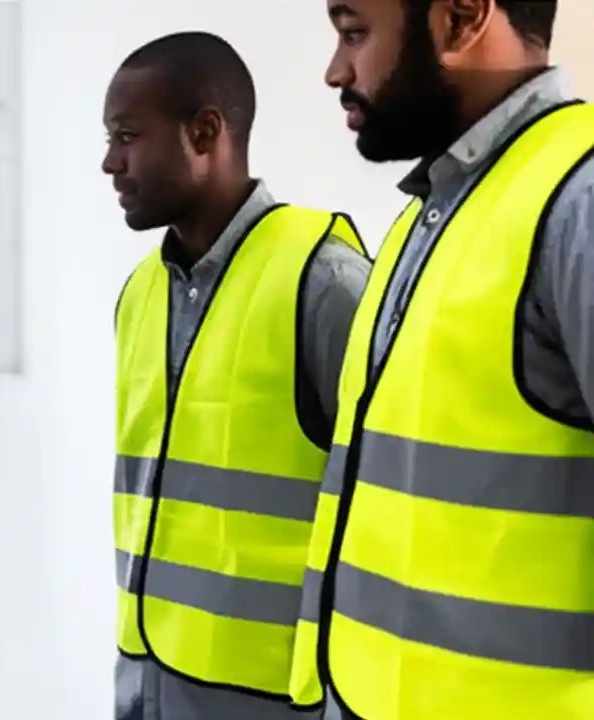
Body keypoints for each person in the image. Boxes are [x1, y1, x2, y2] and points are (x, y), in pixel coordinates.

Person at [288, 1, 594, 719]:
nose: (337, 70)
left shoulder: (577, 202)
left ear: (459, 18)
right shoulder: (430, 218)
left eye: (355, 31)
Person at [104, 31, 373, 720]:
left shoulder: (325, 280)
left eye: (127, 136)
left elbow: (386, 508)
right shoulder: (139, 294)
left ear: (204, 132)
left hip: (278, 699)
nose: (111, 162)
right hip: (147, 683)